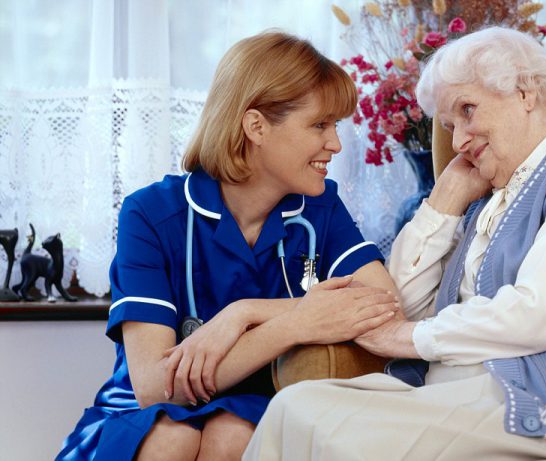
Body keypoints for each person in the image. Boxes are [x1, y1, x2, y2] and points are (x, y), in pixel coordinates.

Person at [244, 27, 546, 461]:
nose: (457, 142)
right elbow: (396, 304)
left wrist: (406, 338)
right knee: (292, 408)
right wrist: (444, 203)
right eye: (449, 125)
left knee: (333, 432)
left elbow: (540, 313)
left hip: (541, 405)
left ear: (525, 93)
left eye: (467, 111)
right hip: (459, 398)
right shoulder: (486, 200)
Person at [55, 31, 400, 461]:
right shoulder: (150, 213)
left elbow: (384, 305)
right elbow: (155, 387)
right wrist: (296, 322)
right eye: (319, 125)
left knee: (233, 434)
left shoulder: (321, 207)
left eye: (335, 126)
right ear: (256, 126)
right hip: (141, 412)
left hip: (252, 402)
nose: (335, 143)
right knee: (172, 439)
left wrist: (246, 314)